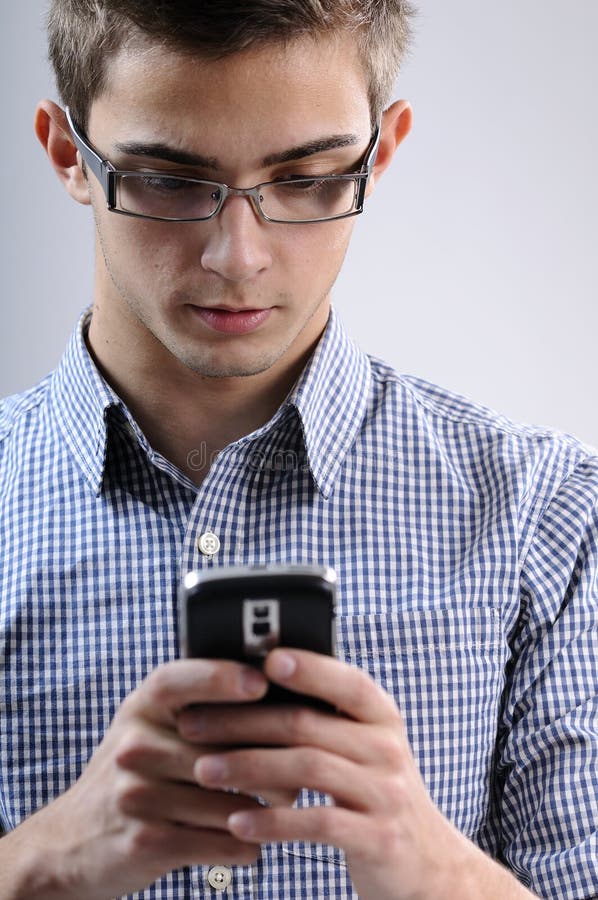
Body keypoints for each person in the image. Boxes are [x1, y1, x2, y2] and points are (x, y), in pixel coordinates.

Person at [0, 1, 596, 897]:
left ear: (379, 153)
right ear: (65, 152)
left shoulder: (546, 515)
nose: (238, 257)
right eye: (167, 178)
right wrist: (39, 863)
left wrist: (437, 874)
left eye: (309, 177)